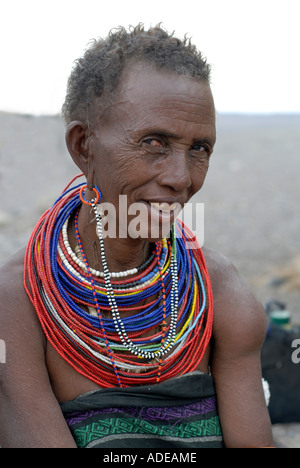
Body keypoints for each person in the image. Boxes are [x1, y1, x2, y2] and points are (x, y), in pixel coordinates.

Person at [0, 24, 274, 448]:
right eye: (153, 143)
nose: (181, 178)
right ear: (83, 146)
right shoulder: (17, 303)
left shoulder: (221, 292)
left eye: (199, 148)